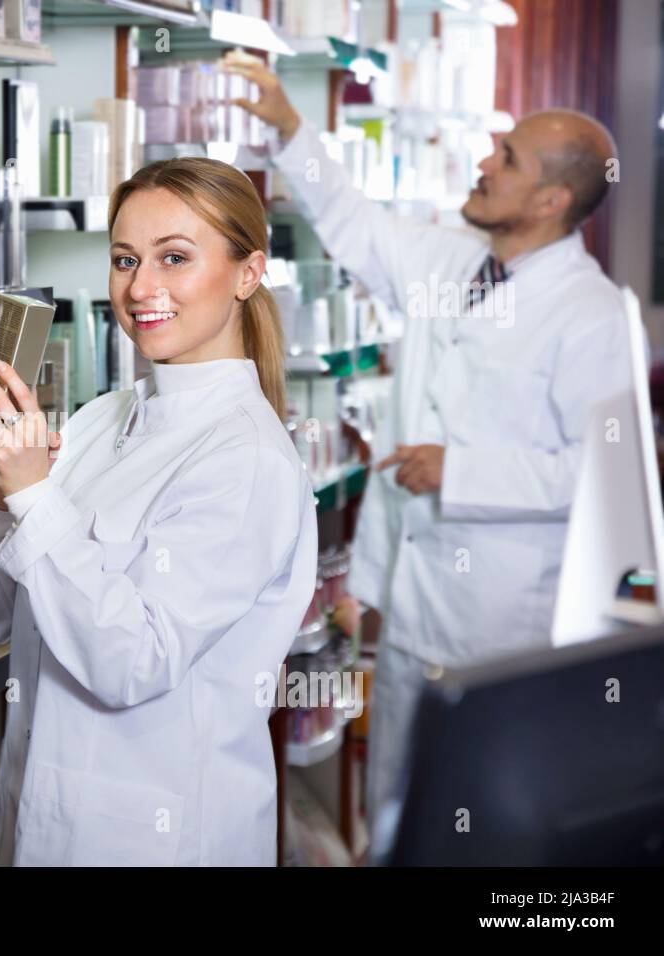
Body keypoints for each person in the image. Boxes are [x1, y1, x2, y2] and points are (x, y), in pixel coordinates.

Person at [222, 52, 633, 859]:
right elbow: (353, 223)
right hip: (415, 601)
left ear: (551, 200)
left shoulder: (593, 315)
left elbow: (598, 470)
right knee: (398, 807)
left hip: (503, 620)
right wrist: (289, 127)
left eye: (508, 158)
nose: (485, 162)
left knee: (484, 819)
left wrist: (460, 470)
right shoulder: (453, 262)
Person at [0, 156, 319, 866]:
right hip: (35, 815)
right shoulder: (101, 419)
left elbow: (133, 663)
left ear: (248, 273)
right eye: (125, 260)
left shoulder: (248, 459)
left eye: (174, 258)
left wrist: (35, 497)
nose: (141, 288)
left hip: (159, 835)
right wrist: (1, 503)